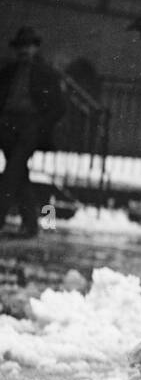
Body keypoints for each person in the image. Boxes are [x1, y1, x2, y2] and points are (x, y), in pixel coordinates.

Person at [0, 26, 66, 238]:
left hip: (30, 128)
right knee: (18, 174)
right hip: (7, 127)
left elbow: (59, 106)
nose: (24, 50)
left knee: (11, 173)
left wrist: (40, 125)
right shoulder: (8, 72)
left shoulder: (46, 73)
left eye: (28, 46)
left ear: (36, 48)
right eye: (21, 46)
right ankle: (30, 225)